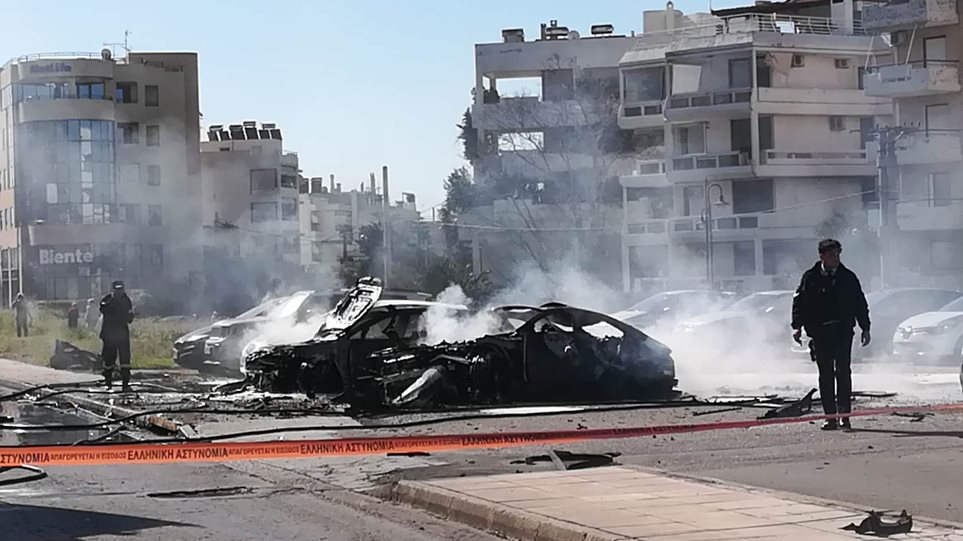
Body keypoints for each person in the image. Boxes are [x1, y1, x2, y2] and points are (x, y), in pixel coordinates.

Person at [791, 239, 871, 431]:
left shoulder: (848, 277)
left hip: (843, 332)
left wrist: (865, 327)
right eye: (832, 255)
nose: (836, 258)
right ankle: (830, 417)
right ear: (822, 255)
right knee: (825, 375)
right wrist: (797, 326)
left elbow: (859, 303)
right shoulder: (810, 278)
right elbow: (799, 303)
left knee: (843, 373)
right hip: (820, 333)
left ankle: (844, 416)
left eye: (838, 254)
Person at [100, 281, 135, 391]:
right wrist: (113, 300)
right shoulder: (108, 299)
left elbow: (129, 318)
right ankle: (108, 383)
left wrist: (130, 315)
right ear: (113, 289)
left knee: (125, 360)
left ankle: (125, 384)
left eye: (121, 289)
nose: (119, 291)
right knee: (109, 359)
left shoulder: (126, 300)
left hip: (122, 334)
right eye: (117, 289)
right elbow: (103, 309)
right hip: (109, 334)